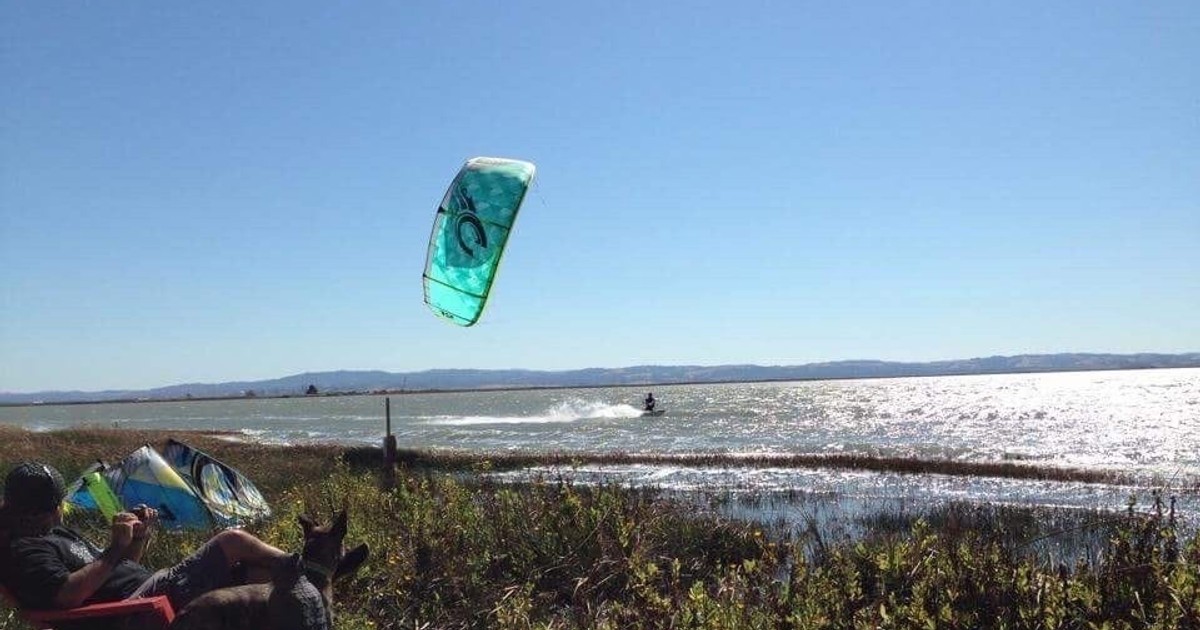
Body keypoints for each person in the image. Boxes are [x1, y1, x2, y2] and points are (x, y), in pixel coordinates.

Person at [0, 461, 290, 614]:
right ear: (40, 512)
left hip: (148, 591)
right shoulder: (25, 551)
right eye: (59, 506)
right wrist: (114, 547)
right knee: (232, 541)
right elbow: (67, 596)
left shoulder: (49, 533)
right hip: (138, 610)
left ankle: (306, 579)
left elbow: (115, 571)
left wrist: (136, 539)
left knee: (259, 574)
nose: (62, 512)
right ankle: (309, 567)